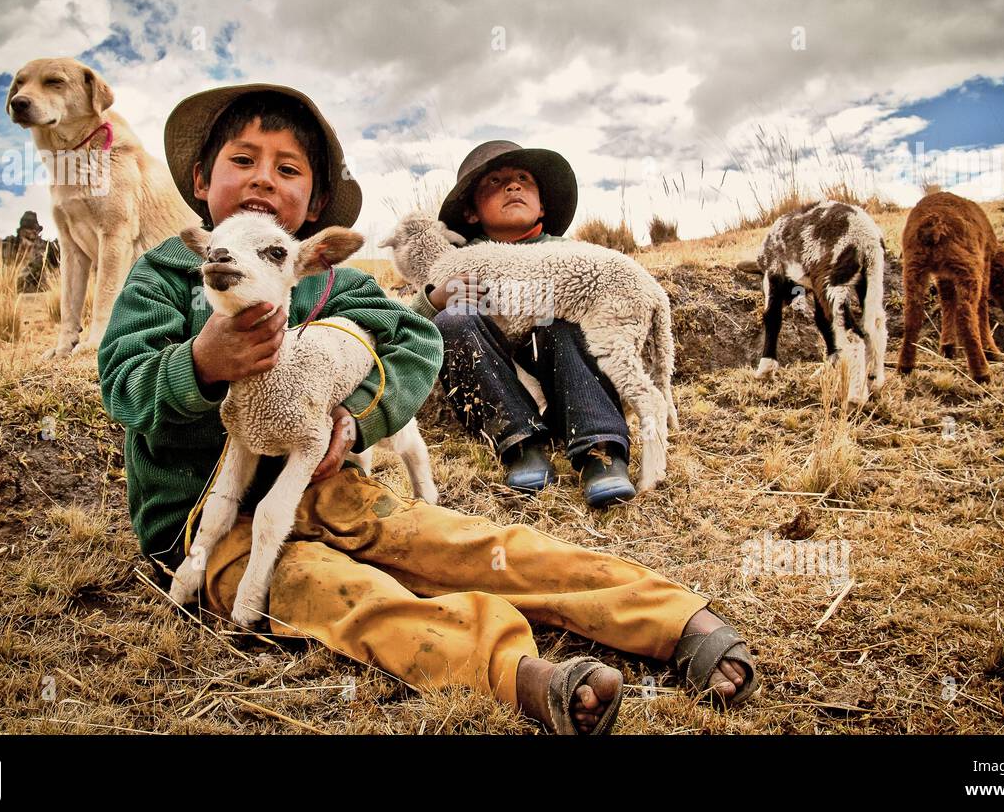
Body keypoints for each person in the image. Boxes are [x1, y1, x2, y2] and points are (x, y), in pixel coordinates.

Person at [98, 88, 757, 733]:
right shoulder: (166, 276)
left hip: (332, 487)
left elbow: (412, 342)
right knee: (320, 589)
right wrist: (202, 365)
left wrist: (355, 417)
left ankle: (666, 617)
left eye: (288, 168)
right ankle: (516, 673)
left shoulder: (334, 282)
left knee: (465, 546)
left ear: (317, 202)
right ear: (200, 177)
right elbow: (123, 383)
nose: (264, 179)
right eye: (243, 160)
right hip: (203, 523)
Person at [410, 141, 637, 508]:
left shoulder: (575, 256)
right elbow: (404, 327)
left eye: (522, 179)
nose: (512, 186)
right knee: (453, 319)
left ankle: (600, 446)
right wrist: (433, 299)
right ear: (470, 212)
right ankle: (520, 444)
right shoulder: (458, 266)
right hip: (496, 384)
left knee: (562, 322)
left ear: (542, 204)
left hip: (566, 384)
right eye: (495, 181)